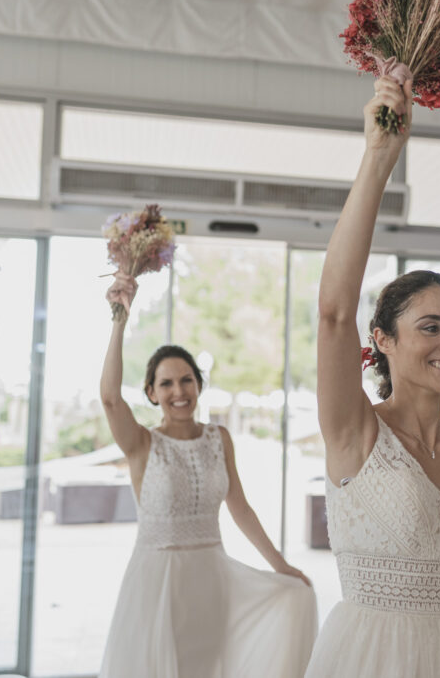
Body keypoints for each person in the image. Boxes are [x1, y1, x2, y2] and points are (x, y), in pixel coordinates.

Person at [304, 74, 440, 676]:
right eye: (430, 327)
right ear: (382, 341)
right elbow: (334, 311)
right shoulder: (355, 434)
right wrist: (379, 157)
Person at [97, 276, 316, 678]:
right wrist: (119, 321)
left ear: (199, 385)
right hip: (156, 584)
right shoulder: (141, 443)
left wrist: (281, 565)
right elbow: (110, 398)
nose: (178, 391)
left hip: (211, 583)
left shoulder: (221, 439)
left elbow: (241, 509)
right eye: (166, 383)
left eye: (186, 380)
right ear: (151, 392)